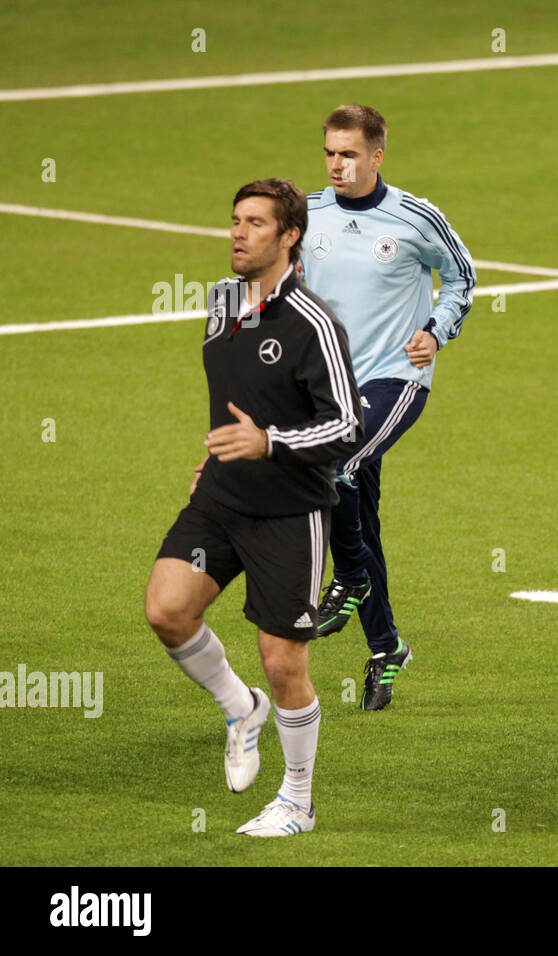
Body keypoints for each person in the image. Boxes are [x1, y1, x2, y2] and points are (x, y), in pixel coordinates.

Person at [145, 178, 363, 835]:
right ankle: (242, 709)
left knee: (283, 659)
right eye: (235, 220)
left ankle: (298, 799)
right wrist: (217, 457)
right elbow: (237, 400)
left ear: (289, 236)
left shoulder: (314, 324)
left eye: (255, 223)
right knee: (167, 610)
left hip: (289, 511)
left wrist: (268, 443)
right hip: (221, 498)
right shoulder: (221, 305)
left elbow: (347, 425)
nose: (238, 233)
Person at [302, 104, 476, 711]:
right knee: (359, 521)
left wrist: (437, 330)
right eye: (329, 153)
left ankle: (346, 583)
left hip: (396, 379)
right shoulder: (308, 212)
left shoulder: (415, 217)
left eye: (348, 154)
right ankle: (386, 646)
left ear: (377, 156)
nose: (336, 165)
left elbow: (463, 279)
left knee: (335, 466)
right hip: (330, 389)